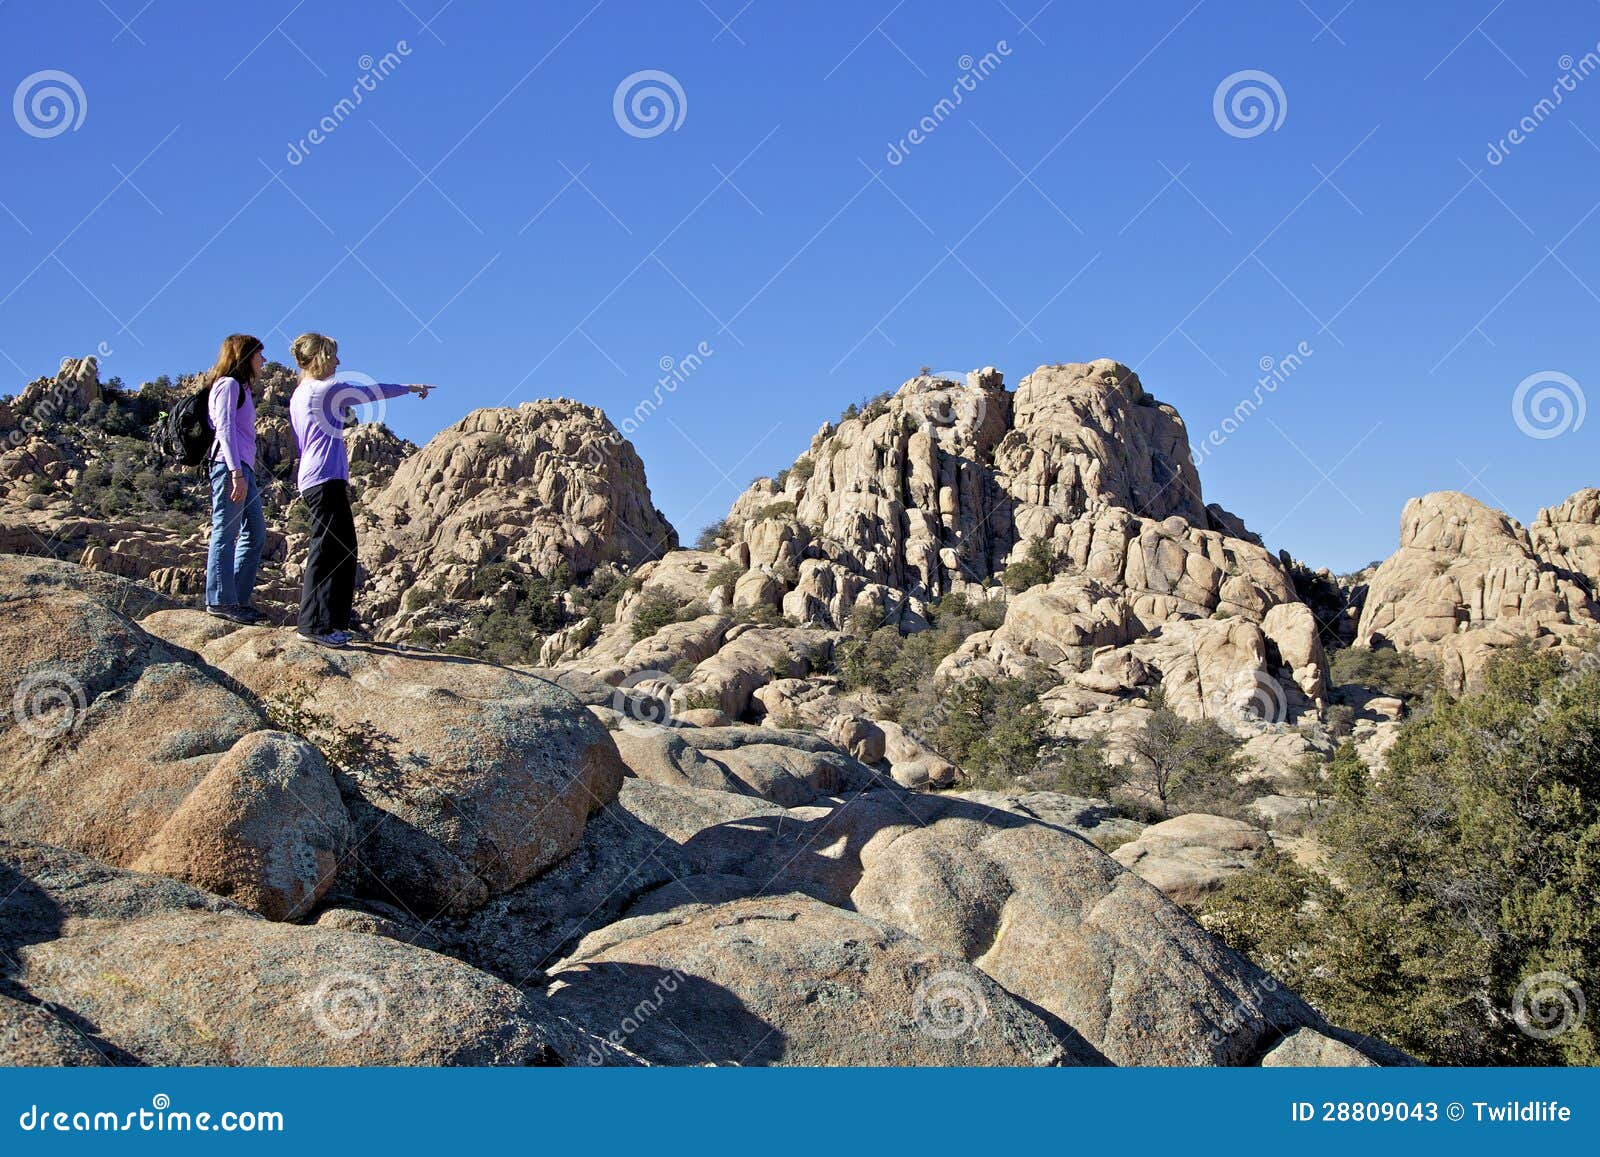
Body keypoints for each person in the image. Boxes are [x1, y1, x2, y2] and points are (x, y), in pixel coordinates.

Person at [288, 332, 432, 647]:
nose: (339, 362)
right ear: (322, 357)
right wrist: (409, 388)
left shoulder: (299, 394)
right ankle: (313, 625)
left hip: (316, 476)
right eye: (334, 356)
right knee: (327, 550)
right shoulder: (327, 389)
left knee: (342, 549)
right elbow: (370, 392)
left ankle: (332, 623)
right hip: (324, 477)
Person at [202, 333, 267, 624]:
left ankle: (237, 600)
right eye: (259, 354)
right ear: (245, 356)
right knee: (226, 531)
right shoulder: (228, 385)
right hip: (230, 466)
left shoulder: (241, 388)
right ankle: (219, 600)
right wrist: (235, 472)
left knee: (255, 532)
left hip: (243, 468)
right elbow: (225, 430)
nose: (263, 360)